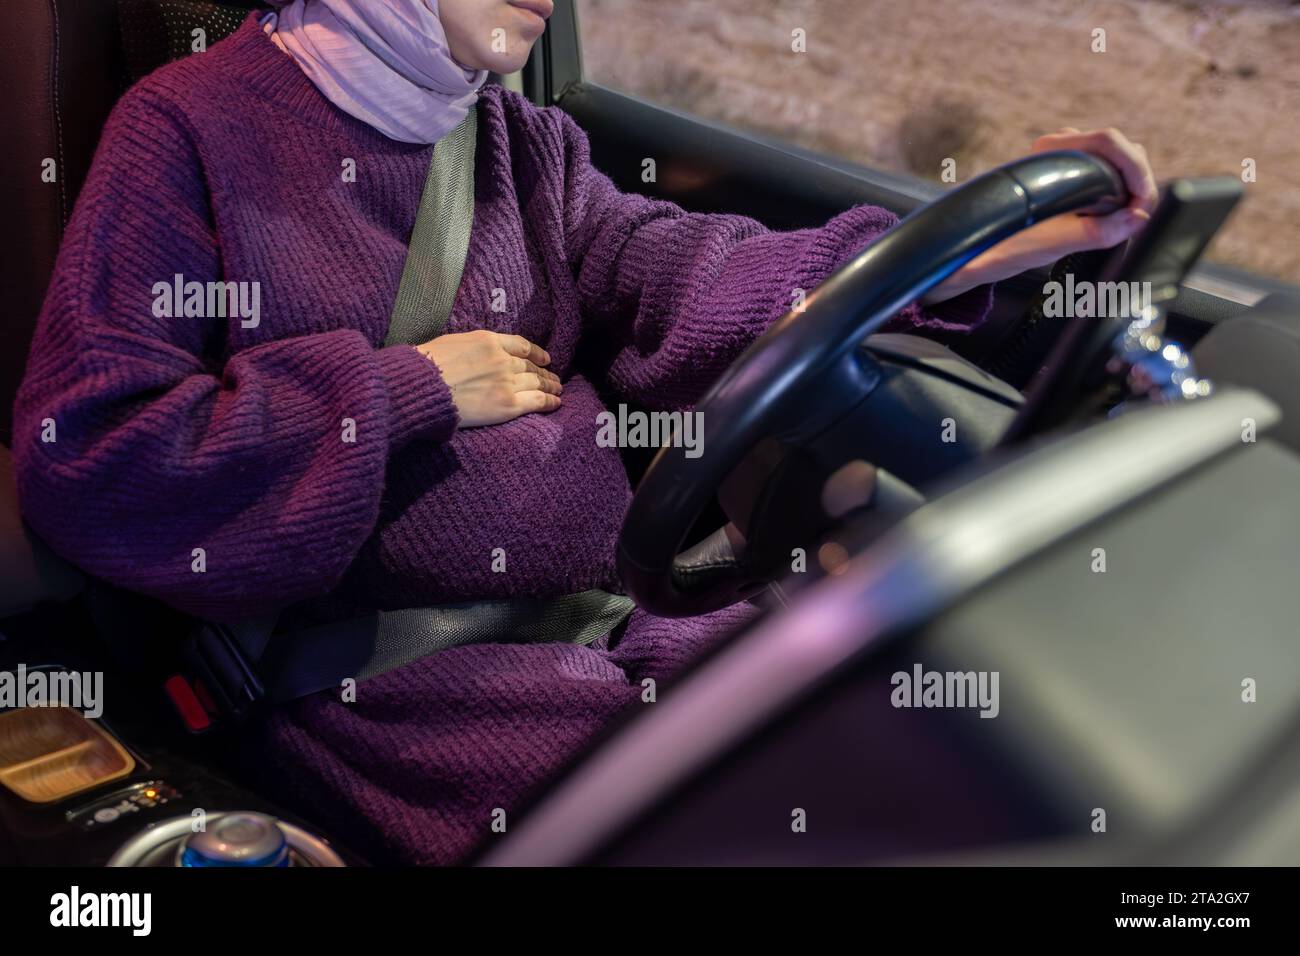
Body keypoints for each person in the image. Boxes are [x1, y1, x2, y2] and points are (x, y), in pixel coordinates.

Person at [13, 0, 1156, 864]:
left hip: (621, 622)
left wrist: (971, 250)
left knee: (930, 740)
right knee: (740, 821)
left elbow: (682, 268)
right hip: (397, 690)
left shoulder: (520, 142)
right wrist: (401, 390)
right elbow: (96, 455)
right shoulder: (187, 129)